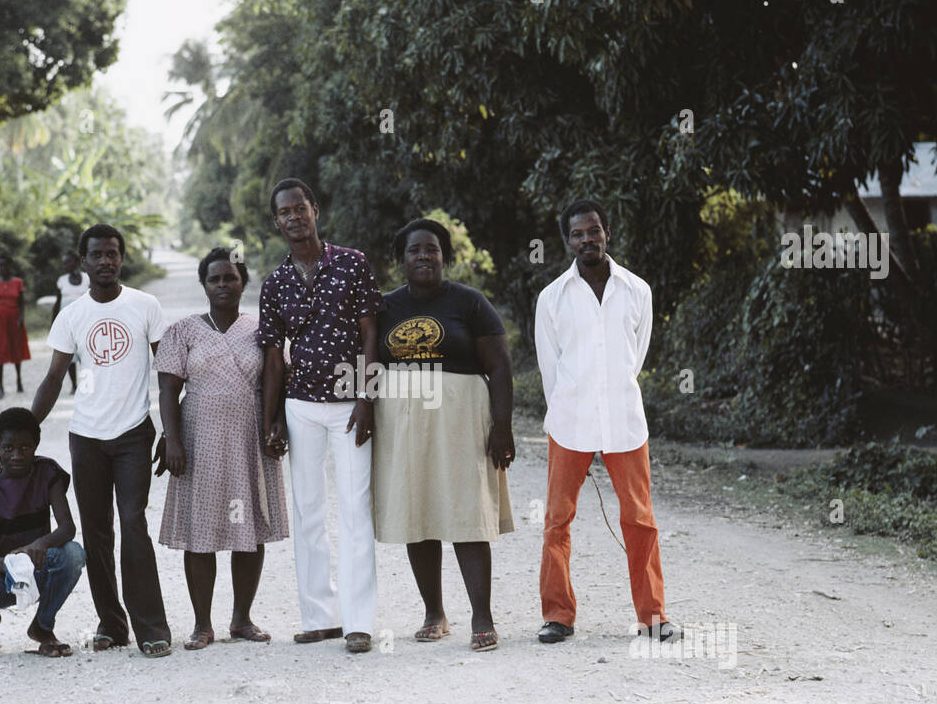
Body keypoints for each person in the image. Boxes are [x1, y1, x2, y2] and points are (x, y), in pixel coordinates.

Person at [533, 199, 681, 643]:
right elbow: (550, 368)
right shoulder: (553, 298)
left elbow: (635, 356)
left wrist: (609, 392)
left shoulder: (637, 290)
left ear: (607, 233)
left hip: (624, 420)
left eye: (592, 231)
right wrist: (572, 407)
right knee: (557, 520)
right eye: (576, 234)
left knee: (640, 519)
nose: (586, 240)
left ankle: (653, 615)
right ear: (567, 242)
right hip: (569, 420)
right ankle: (558, 616)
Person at [32, 223, 175, 658]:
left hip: (133, 434)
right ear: (83, 261)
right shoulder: (72, 316)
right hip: (87, 439)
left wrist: (172, 431)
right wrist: (25, 429)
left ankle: (151, 626)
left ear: (121, 257)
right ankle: (112, 623)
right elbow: (54, 378)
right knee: (96, 534)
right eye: (97, 255)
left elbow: (167, 371)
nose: (106, 262)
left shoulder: (145, 305)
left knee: (133, 524)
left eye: (113, 253)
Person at [373, 218, 515, 651]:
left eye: (431, 249)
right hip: (404, 425)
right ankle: (434, 612)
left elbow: (499, 366)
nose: (423, 257)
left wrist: (502, 426)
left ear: (444, 256)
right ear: (402, 261)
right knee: (419, 514)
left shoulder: (469, 303)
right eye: (414, 251)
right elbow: (369, 362)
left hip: (461, 423)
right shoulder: (384, 307)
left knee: (467, 514)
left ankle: (482, 616)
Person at [258, 178, 385, 654]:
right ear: (277, 222)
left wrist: (368, 398)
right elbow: (273, 355)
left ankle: (358, 623)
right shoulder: (274, 283)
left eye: (300, 208)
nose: (293, 217)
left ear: (315, 209)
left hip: (351, 405)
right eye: (284, 212)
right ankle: (320, 616)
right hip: (300, 408)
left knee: (355, 509)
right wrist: (271, 420)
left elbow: (371, 332)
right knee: (308, 511)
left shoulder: (351, 264)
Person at [153, 248, 289, 649]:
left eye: (230, 278)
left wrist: (276, 425)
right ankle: (202, 624)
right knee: (201, 531)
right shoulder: (183, 331)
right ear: (204, 285)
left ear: (243, 283)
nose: (223, 285)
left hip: (249, 437)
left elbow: (276, 381)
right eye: (214, 279)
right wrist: (172, 439)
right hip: (198, 439)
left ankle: (242, 619)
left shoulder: (261, 329)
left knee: (249, 528)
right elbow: (167, 389)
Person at [0, 407, 85, 660]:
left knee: (73, 553)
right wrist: (7, 565)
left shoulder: (48, 473)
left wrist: (39, 544)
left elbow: (67, 527)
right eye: (8, 448)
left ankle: (43, 627)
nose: (17, 455)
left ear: (36, 445)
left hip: (36, 571)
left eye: (25, 448)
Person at [0, 256, 31, 398]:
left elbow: (22, 302)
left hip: (14, 318)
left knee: (16, 348)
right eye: (0, 265)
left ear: (9, 266)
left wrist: (22, 317)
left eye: (5, 265)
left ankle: (19, 380)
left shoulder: (18, 282)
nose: (2, 268)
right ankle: (0, 387)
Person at [52, 251, 88, 394]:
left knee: (85, 353)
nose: (65, 265)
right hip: (67, 323)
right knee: (69, 354)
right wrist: (54, 323)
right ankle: (74, 385)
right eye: (64, 263)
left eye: (68, 262)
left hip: (84, 321)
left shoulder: (86, 279)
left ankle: (87, 383)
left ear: (77, 262)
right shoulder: (61, 280)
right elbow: (57, 303)